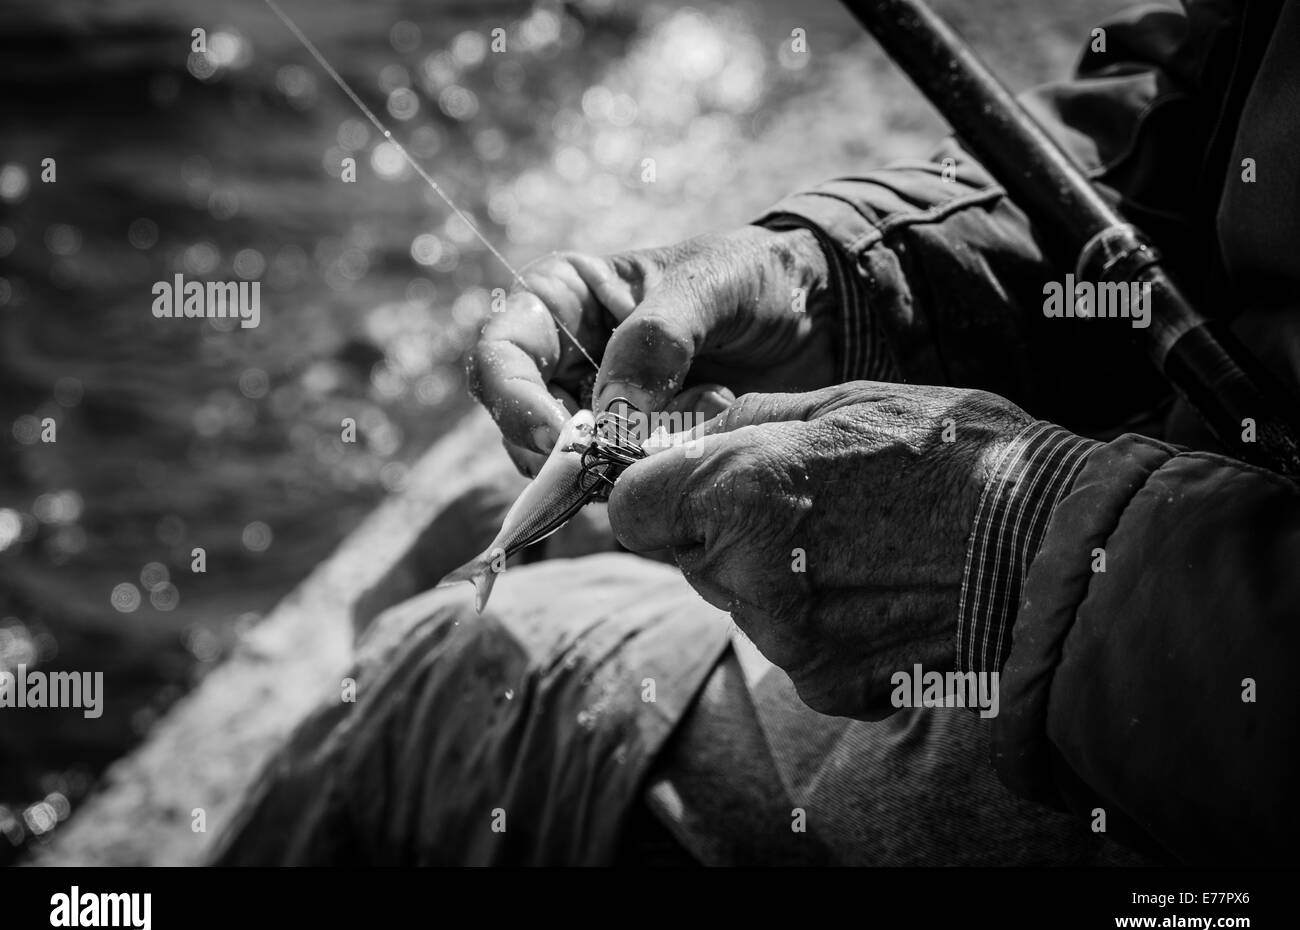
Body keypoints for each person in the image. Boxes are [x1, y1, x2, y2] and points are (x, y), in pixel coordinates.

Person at [211, 0, 1299, 865]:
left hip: (1171, 749)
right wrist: (833, 282)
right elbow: (1164, 149)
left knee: (435, 678)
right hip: (1163, 507)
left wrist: (1021, 549)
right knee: (461, 525)